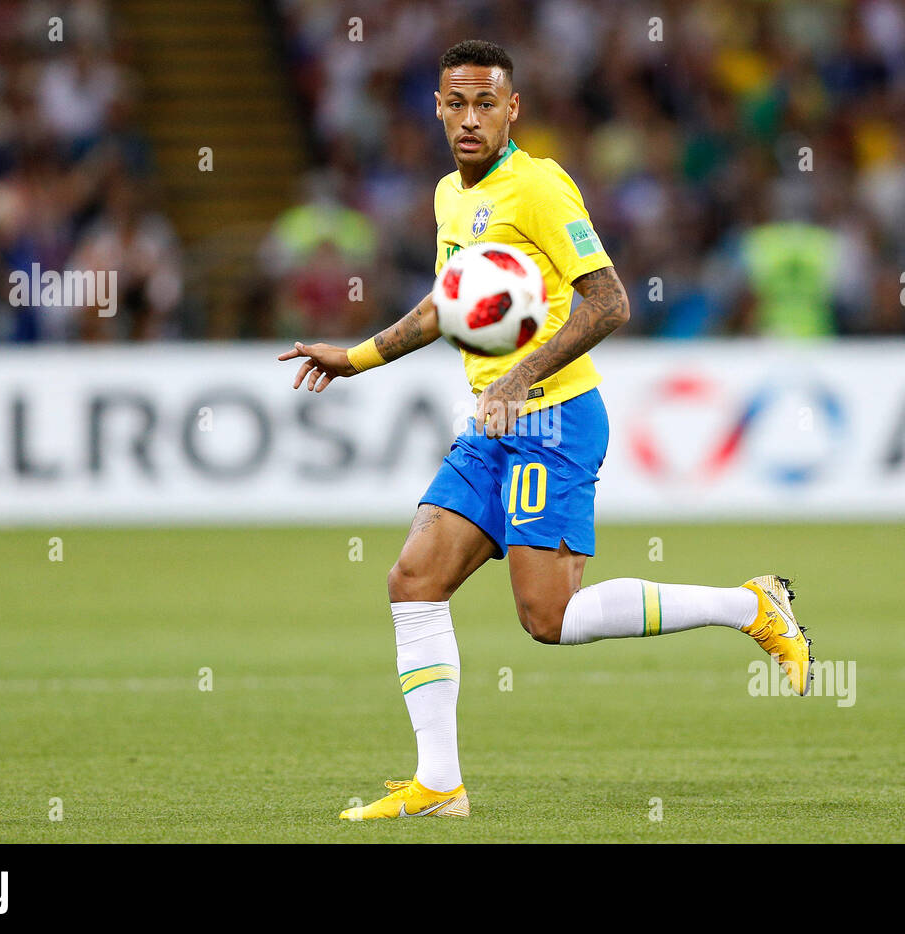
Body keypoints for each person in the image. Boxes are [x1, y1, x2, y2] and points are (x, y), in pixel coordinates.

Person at [279, 40, 814, 821]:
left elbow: (610, 302)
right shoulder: (447, 197)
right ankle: (440, 786)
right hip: (493, 424)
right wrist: (356, 358)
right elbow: (441, 305)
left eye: (485, 104)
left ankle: (751, 606)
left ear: (512, 109)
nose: (469, 119)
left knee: (549, 619)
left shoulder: (538, 187)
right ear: (437, 107)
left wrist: (521, 379)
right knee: (413, 581)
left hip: (554, 418)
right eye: (455, 103)